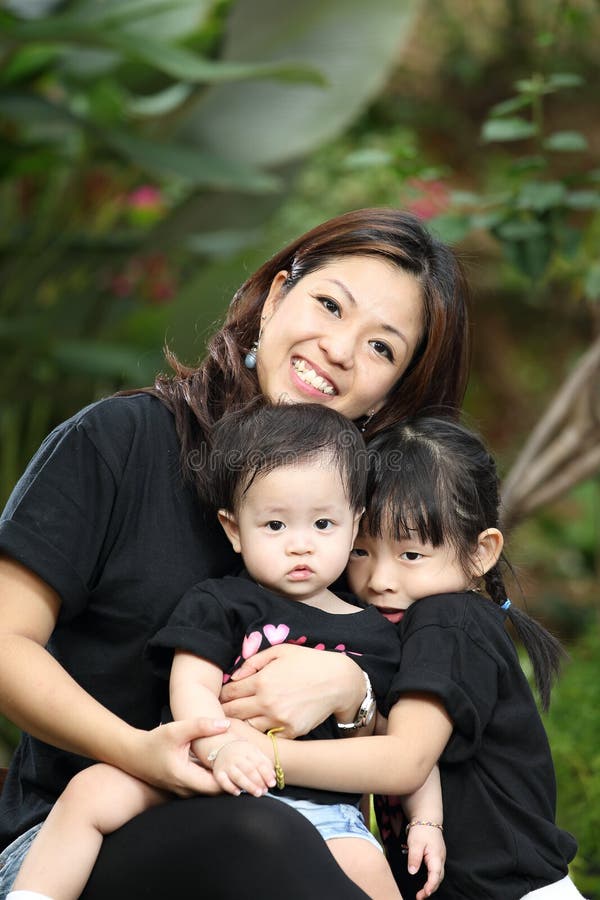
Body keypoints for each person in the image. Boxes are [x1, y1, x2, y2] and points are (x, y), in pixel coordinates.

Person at [0, 208, 470, 900]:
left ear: (391, 394)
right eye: (329, 305)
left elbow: (406, 708)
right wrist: (138, 751)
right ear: (276, 297)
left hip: (298, 835)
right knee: (259, 836)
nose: (340, 349)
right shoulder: (119, 442)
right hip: (80, 838)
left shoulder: (364, 524)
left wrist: (352, 692)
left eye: (381, 348)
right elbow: (7, 643)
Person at [8, 403, 446, 900]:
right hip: (204, 777)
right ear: (234, 530)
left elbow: (405, 745)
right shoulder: (222, 601)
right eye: (276, 526)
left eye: (323, 525)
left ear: (354, 524)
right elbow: (191, 682)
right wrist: (220, 748)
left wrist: (426, 820)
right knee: (92, 791)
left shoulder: (377, 633)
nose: (300, 546)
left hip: (328, 812)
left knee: (374, 879)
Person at [223, 416, 582, 899]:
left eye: (410, 554)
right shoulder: (388, 629)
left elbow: (403, 762)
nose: (381, 579)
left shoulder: (448, 620)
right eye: (361, 551)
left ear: (481, 553)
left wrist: (261, 756)